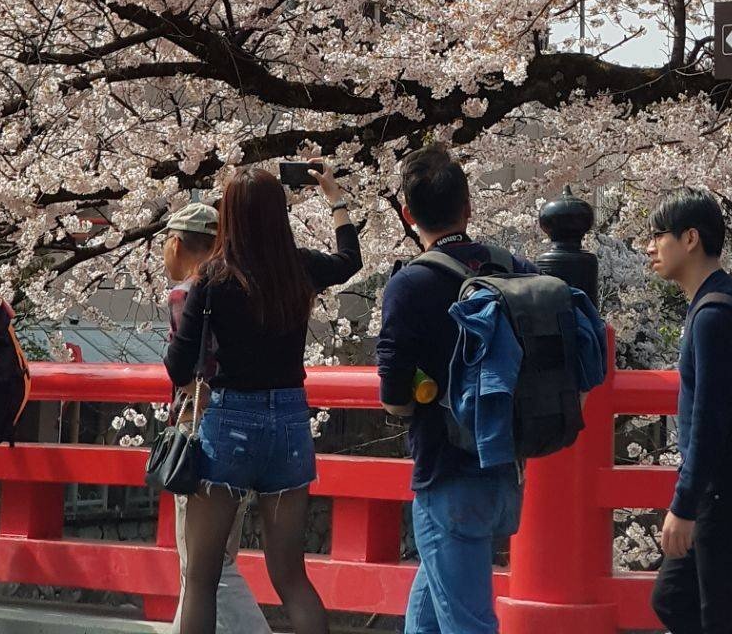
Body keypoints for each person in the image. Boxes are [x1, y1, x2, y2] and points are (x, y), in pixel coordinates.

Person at [166, 164, 360, 634]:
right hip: (291, 422)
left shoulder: (212, 279)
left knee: (201, 579)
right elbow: (350, 259)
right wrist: (334, 197)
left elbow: (177, 365)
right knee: (291, 576)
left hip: (229, 420)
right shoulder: (300, 268)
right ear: (280, 215)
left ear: (228, 215)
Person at [375, 146, 534, 634]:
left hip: (448, 472)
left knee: (468, 624)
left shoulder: (410, 284)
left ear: (408, 214)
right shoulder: (515, 269)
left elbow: (393, 390)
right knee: (429, 607)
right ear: (468, 206)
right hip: (506, 467)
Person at [644, 190, 732, 634]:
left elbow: (709, 420)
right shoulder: (719, 302)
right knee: (675, 599)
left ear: (691, 239)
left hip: (727, 490)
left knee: (722, 616)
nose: (650, 247)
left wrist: (684, 505)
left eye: (658, 235)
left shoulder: (714, 316)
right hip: (729, 485)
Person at [161, 201, 269, 634]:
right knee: (213, 560)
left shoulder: (188, 293)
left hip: (202, 433)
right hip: (247, 428)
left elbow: (185, 371)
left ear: (176, 243)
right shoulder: (247, 287)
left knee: (206, 567)